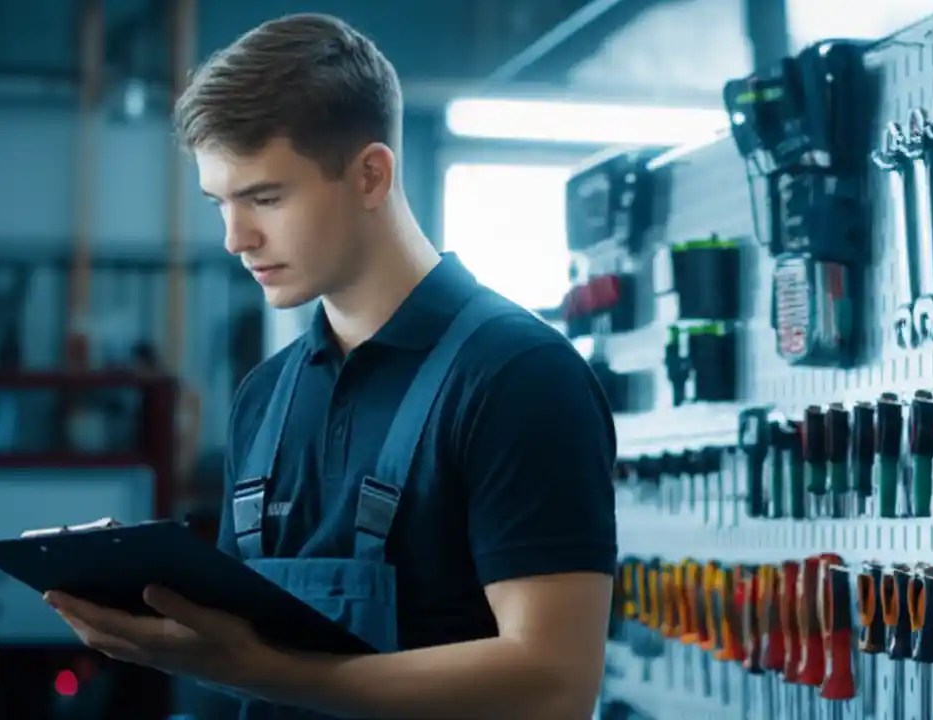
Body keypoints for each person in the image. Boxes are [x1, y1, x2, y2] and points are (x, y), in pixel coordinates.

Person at [43, 12, 619, 719]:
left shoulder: (520, 377)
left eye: (265, 197)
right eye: (220, 202)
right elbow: (240, 652)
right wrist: (148, 608)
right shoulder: (265, 397)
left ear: (371, 174)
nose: (233, 237)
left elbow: (553, 684)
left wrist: (281, 674)